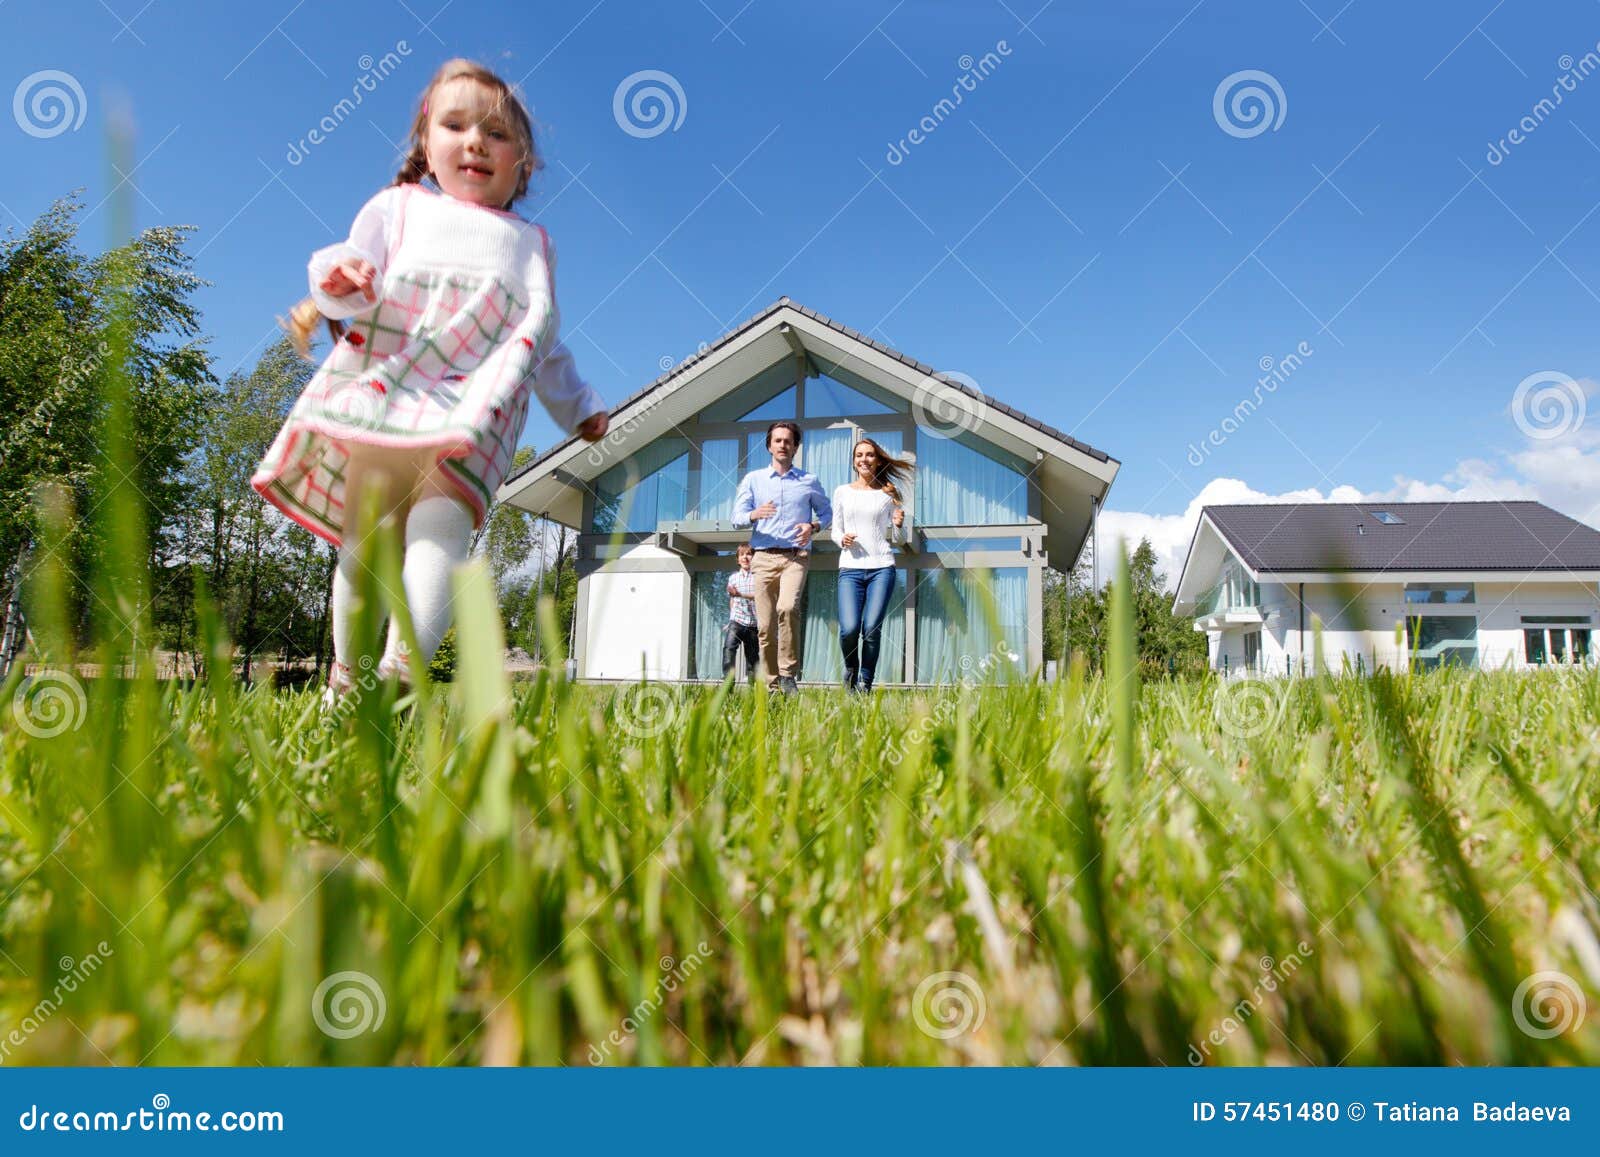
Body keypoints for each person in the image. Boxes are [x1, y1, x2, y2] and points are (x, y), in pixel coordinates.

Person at [250, 58, 609, 700]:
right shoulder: (399, 209)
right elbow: (350, 272)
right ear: (426, 141)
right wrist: (339, 285)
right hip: (388, 391)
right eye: (456, 124)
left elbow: (541, 337)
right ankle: (348, 678)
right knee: (365, 543)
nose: (476, 141)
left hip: (473, 409)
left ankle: (402, 670)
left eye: (497, 134)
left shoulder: (533, 244)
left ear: (523, 162)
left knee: (439, 531)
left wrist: (577, 402)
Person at [730, 420, 832, 695]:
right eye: (778, 440)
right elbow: (736, 518)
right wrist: (754, 514)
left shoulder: (809, 481)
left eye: (788, 441)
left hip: (795, 557)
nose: (783, 445)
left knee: (787, 608)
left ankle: (788, 674)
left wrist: (813, 527)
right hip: (762, 557)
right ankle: (772, 683)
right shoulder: (754, 480)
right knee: (764, 625)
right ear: (769, 446)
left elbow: (827, 513)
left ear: (796, 446)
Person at [832, 437, 913, 692]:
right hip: (850, 569)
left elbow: (899, 539)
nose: (863, 459)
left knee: (871, 628)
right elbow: (835, 530)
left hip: (882, 567)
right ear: (854, 461)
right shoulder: (842, 491)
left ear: (877, 461)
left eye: (869, 455)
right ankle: (851, 671)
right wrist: (841, 539)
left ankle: (865, 683)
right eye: (859, 455)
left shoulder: (888, 493)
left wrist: (899, 524)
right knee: (849, 629)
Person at [721, 543, 759, 684]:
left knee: (753, 659)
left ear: (754, 557)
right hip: (736, 620)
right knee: (728, 649)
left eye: (749, 554)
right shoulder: (733, 578)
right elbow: (733, 600)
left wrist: (740, 594)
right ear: (738, 559)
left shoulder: (758, 577)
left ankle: (753, 691)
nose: (745, 557)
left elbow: (759, 596)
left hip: (753, 623)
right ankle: (727, 687)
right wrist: (730, 620)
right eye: (742, 554)